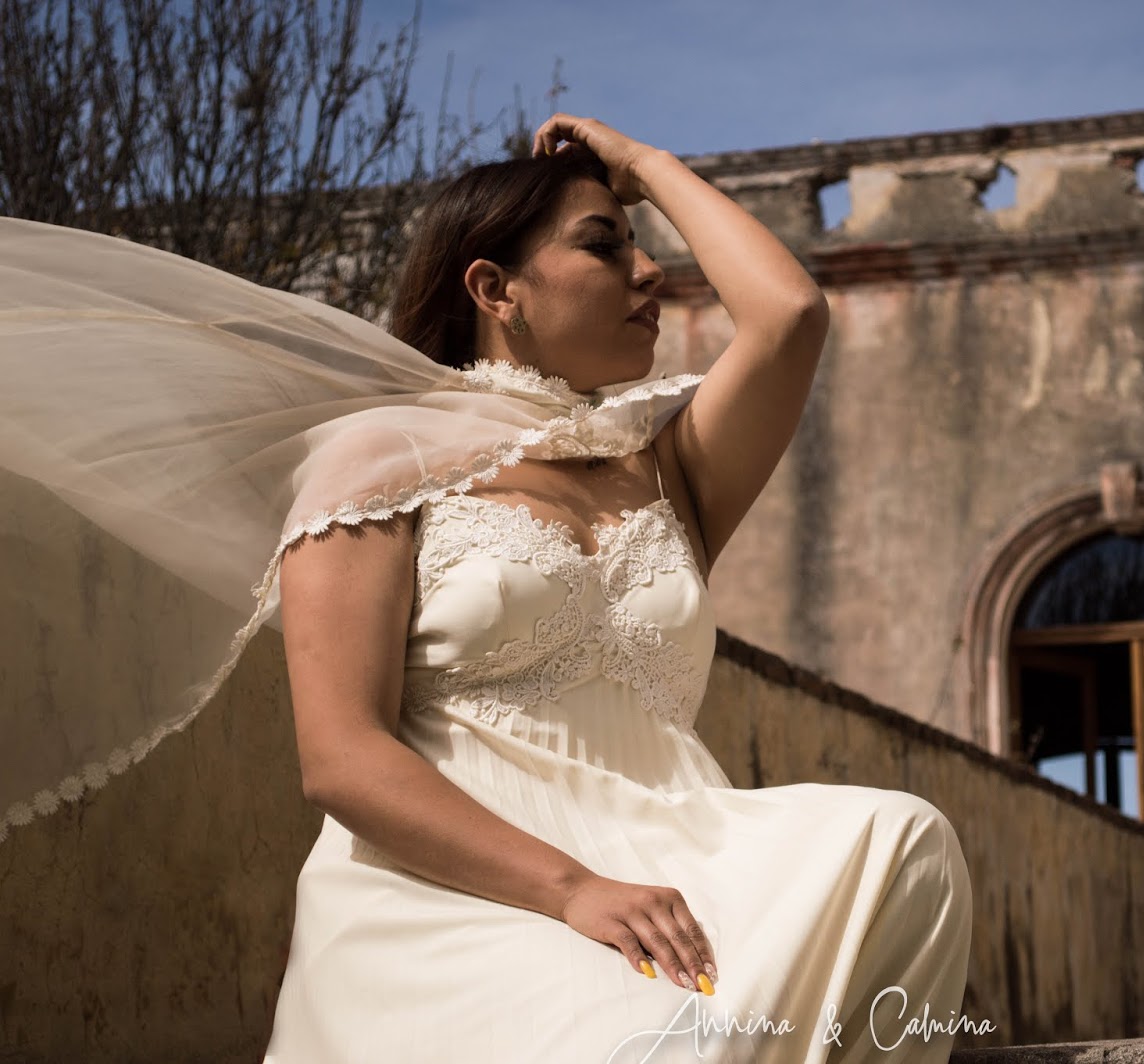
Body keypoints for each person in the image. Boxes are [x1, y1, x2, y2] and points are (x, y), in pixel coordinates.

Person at [252, 115, 974, 1063]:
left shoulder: (667, 467)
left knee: (904, 838)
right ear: (493, 289)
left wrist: (648, 168)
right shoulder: (381, 458)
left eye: (640, 246)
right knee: (659, 1040)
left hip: (683, 866)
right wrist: (569, 889)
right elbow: (341, 757)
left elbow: (790, 315)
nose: (649, 276)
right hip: (457, 894)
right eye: (603, 245)